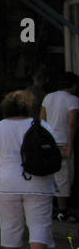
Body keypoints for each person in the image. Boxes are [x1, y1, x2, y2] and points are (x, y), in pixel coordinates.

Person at [0, 89, 54, 249]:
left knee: (9, 223)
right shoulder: (42, 126)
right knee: (39, 223)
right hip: (39, 181)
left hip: (7, 182)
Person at [42, 72, 79, 223]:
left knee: (50, 175)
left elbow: (42, 119)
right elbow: (71, 123)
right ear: (74, 85)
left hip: (49, 142)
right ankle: (63, 211)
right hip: (63, 141)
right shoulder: (73, 100)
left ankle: (52, 208)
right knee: (64, 177)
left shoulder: (48, 97)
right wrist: (70, 145)